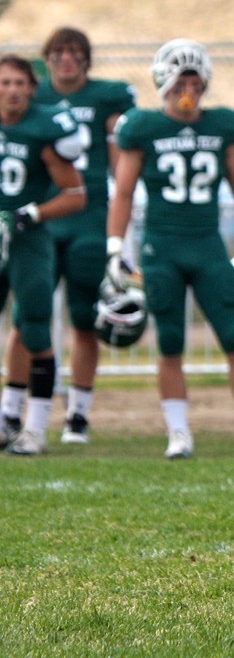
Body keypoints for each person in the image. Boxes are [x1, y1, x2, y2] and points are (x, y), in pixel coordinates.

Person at [107, 39, 234, 459]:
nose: (187, 91)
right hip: (162, 246)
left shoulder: (222, 126)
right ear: (163, 84)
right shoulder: (143, 127)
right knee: (170, 340)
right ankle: (178, 434)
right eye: (179, 82)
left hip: (208, 245)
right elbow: (124, 193)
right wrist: (115, 247)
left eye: (194, 82)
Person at [0, 28, 137, 446]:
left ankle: (76, 413)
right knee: (26, 318)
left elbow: (115, 166)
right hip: (28, 220)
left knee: (81, 315)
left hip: (79, 216)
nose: (66, 60)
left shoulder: (98, 100)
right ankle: (11, 412)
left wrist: (121, 238)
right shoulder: (31, 101)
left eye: (74, 53)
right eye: (58, 52)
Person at [0, 55, 88, 456]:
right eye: (5, 82)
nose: (12, 90)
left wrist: (29, 214)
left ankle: (34, 428)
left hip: (27, 239)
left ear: (32, 89)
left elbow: (75, 195)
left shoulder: (42, 130)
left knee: (35, 328)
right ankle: (8, 418)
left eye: (20, 83)